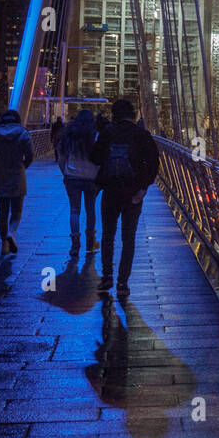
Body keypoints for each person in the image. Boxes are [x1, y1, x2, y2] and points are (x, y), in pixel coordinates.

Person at [91, 98, 160, 294]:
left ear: (114, 114)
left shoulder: (107, 133)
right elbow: (154, 162)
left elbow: (94, 157)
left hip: (110, 192)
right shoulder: (141, 134)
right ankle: (123, 282)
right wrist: (143, 188)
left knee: (107, 235)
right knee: (128, 238)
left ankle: (106, 277)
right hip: (133, 193)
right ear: (132, 115)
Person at [0, 108, 33, 256]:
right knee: (17, 211)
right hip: (17, 173)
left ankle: (4, 245)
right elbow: (30, 154)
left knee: (3, 212)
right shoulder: (23, 133)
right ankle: (11, 233)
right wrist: (23, 166)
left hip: (0, 173)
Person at [56, 109, 101, 256]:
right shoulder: (95, 136)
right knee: (90, 210)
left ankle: (75, 244)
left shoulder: (69, 135)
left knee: (74, 210)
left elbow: (61, 157)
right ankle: (90, 241)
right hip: (91, 178)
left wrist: (65, 172)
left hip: (72, 177)